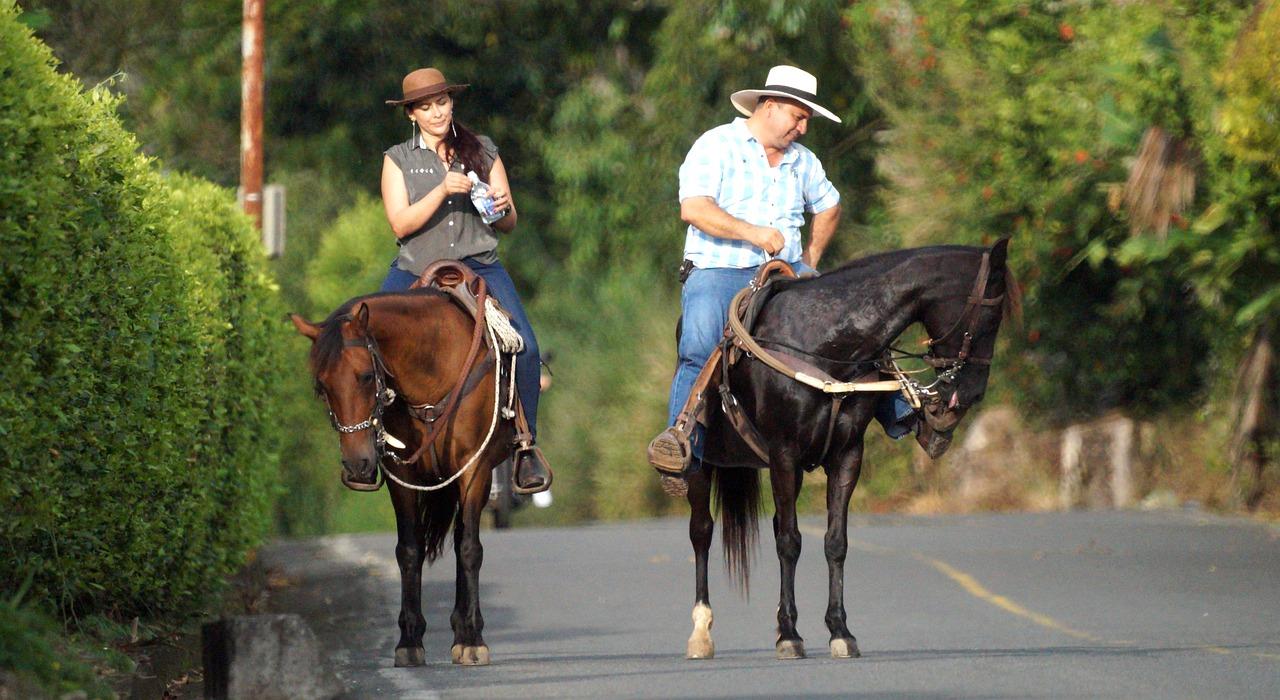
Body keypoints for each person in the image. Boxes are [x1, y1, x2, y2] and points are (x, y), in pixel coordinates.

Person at [648, 65, 919, 489]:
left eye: (806, 119)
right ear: (770, 106)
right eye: (799, 116)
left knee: (852, 325)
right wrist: (752, 233)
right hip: (718, 269)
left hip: (786, 276)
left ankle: (905, 411)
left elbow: (829, 206)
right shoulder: (716, 145)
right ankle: (681, 447)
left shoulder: (803, 161)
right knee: (699, 343)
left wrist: (810, 257)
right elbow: (694, 208)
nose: (803, 128)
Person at [380, 67, 550, 494]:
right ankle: (373, 444)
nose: (436, 112)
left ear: (451, 103)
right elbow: (400, 224)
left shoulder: (483, 150)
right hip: (416, 266)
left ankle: (525, 445)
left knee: (527, 348)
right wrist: (441, 191)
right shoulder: (397, 159)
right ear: (411, 114)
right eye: (425, 107)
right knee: (368, 344)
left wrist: (503, 206)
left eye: (441, 102)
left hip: (480, 266)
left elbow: (508, 222)